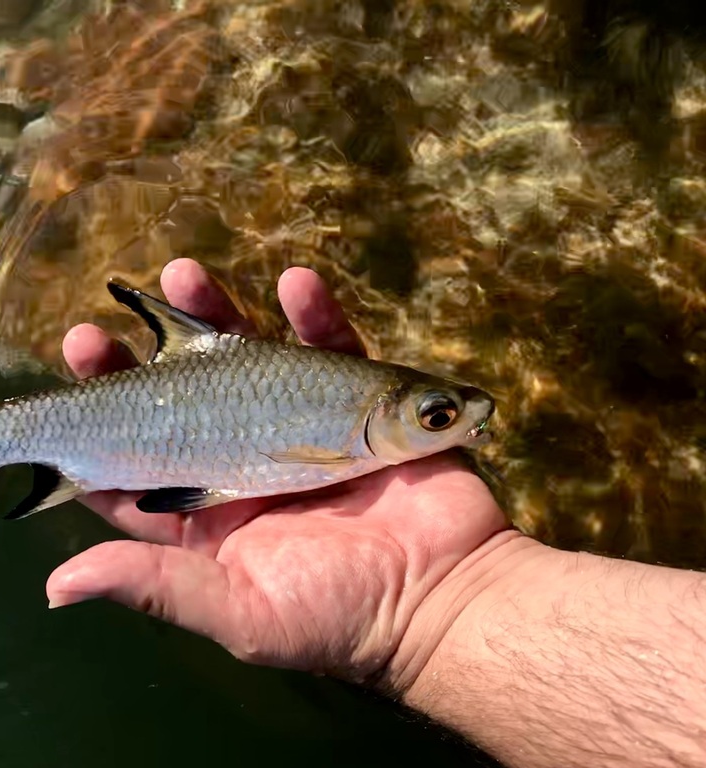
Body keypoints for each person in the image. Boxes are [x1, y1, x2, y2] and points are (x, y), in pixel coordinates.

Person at [46, 258, 706, 768]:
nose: (453, 426)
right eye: (437, 418)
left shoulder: (360, 441)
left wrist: (436, 614)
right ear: (387, 413)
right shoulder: (349, 441)